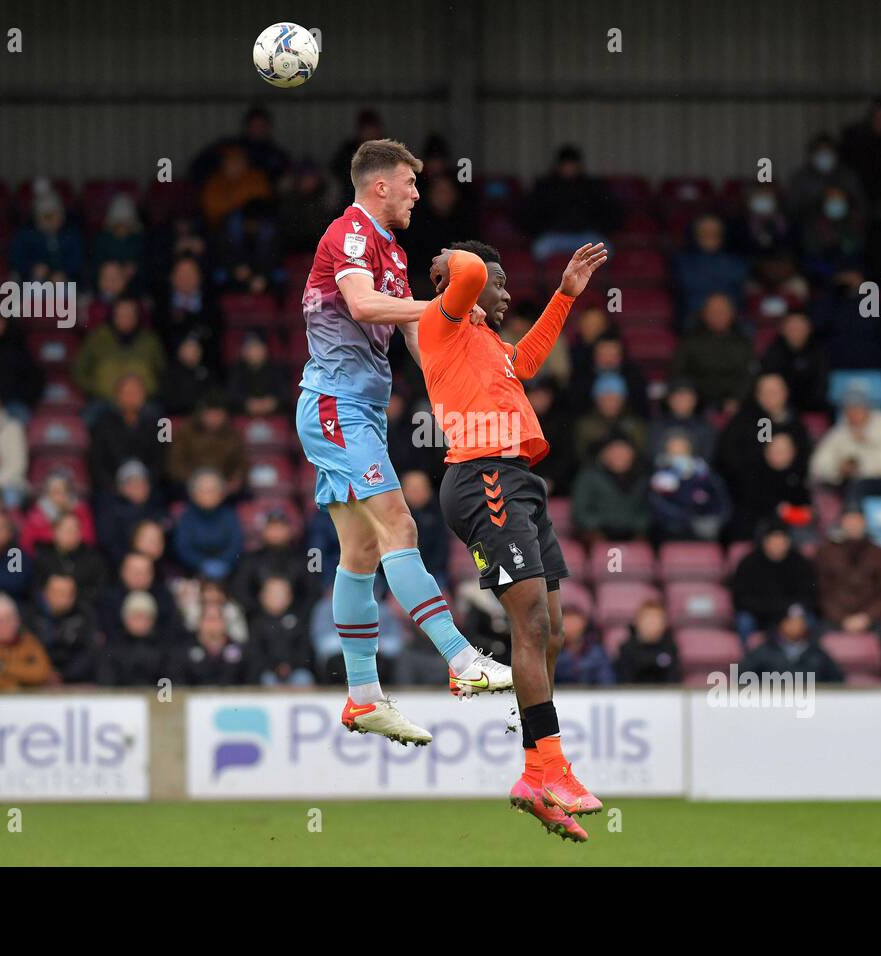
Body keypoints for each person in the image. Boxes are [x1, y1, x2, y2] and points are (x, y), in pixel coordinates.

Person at [292, 138, 511, 745]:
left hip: (357, 410)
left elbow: (410, 332)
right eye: (410, 184)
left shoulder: (389, 247)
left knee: (360, 553)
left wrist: (449, 392)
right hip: (337, 407)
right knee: (402, 529)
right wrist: (442, 307)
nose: (418, 193)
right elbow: (363, 306)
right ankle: (463, 662)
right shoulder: (352, 234)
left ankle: (363, 699)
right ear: (379, 185)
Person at [420, 240, 608, 839]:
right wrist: (453, 263)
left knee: (551, 629)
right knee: (528, 626)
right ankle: (552, 767)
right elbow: (471, 270)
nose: (504, 295)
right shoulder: (444, 323)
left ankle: (534, 773)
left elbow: (525, 364)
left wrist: (565, 296)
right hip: (482, 478)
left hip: (518, 480)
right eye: (498, 287)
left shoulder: (491, 346)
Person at [808, 389, 881, 498]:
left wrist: (869, 437)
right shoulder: (838, 434)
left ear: (867, 408)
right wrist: (839, 469)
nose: (854, 413)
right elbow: (818, 466)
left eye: (858, 407)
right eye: (849, 409)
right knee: (853, 493)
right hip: (866, 483)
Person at [730, 519, 818, 642]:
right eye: (773, 539)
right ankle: (746, 660)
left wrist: (790, 614)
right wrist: (772, 610)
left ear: (788, 541)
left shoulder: (800, 563)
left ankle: (803, 660)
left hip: (789, 614)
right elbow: (740, 599)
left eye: (781, 539)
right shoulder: (748, 563)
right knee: (744, 621)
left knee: (809, 621)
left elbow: (808, 596)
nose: (778, 543)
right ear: (765, 541)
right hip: (758, 615)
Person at [815, 504, 881, 637]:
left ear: (865, 523)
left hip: (871, 619)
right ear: (842, 523)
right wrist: (842, 618)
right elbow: (822, 591)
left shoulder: (879, 554)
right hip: (834, 618)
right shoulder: (826, 552)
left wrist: (866, 617)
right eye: (849, 521)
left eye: (857, 521)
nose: (853, 525)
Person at [647, 433, 730, 541]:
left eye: (682, 450)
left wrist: (715, 520)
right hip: (672, 532)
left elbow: (722, 502)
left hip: (707, 532)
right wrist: (689, 520)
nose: (679, 454)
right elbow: (658, 505)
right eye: (674, 451)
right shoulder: (660, 477)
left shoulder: (706, 474)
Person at [23, 573, 100, 685]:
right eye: (57, 592)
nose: (63, 598)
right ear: (45, 593)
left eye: (68, 593)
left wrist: (64, 676)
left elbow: (89, 650)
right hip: (37, 680)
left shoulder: (85, 615)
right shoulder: (30, 616)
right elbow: (26, 649)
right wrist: (45, 673)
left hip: (75, 681)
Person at [738, 604, 844, 683]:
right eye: (791, 621)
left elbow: (837, 682)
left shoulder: (818, 654)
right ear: (782, 623)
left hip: (810, 707)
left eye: (800, 621)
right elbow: (742, 677)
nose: (796, 625)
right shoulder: (764, 652)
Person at [571, 437, 650, 542]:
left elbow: (649, 511)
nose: (619, 456)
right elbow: (580, 513)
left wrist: (634, 526)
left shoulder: (642, 479)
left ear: (633, 455)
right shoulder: (588, 477)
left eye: (624, 452)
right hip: (596, 536)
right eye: (614, 452)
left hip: (635, 535)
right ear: (604, 455)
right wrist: (604, 524)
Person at [171, 469, 241, 580]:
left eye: (212, 490)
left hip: (228, 573)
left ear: (221, 493)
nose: (208, 495)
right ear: (193, 494)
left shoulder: (230, 515)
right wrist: (202, 564)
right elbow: (183, 548)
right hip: (193, 573)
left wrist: (223, 563)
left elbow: (236, 545)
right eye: (203, 490)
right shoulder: (186, 517)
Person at [249, 576, 314, 685]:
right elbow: (255, 655)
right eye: (272, 593)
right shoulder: (256, 623)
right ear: (262, 596)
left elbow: (305, 651)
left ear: (289, 597)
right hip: (268, 673)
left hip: (296, 671)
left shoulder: (298, 621)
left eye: (280, 594)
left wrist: (290, 666)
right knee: (266, 679)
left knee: (304, 677)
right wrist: (275, 667)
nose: (276, 597)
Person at [614, 598, 681, 684]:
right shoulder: (626, 649)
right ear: (638, 621)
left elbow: (674, 681)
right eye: (648, 618)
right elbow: (625, 682)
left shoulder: (671, 648)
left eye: (657, 619)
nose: (652, 623)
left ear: (664, 623)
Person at [553, 605, 614, 686]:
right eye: (567, 621)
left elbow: (607, 682)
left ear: (584, 623)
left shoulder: (596, 653)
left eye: (574, 622)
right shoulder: (551, 652)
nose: (570, 626)